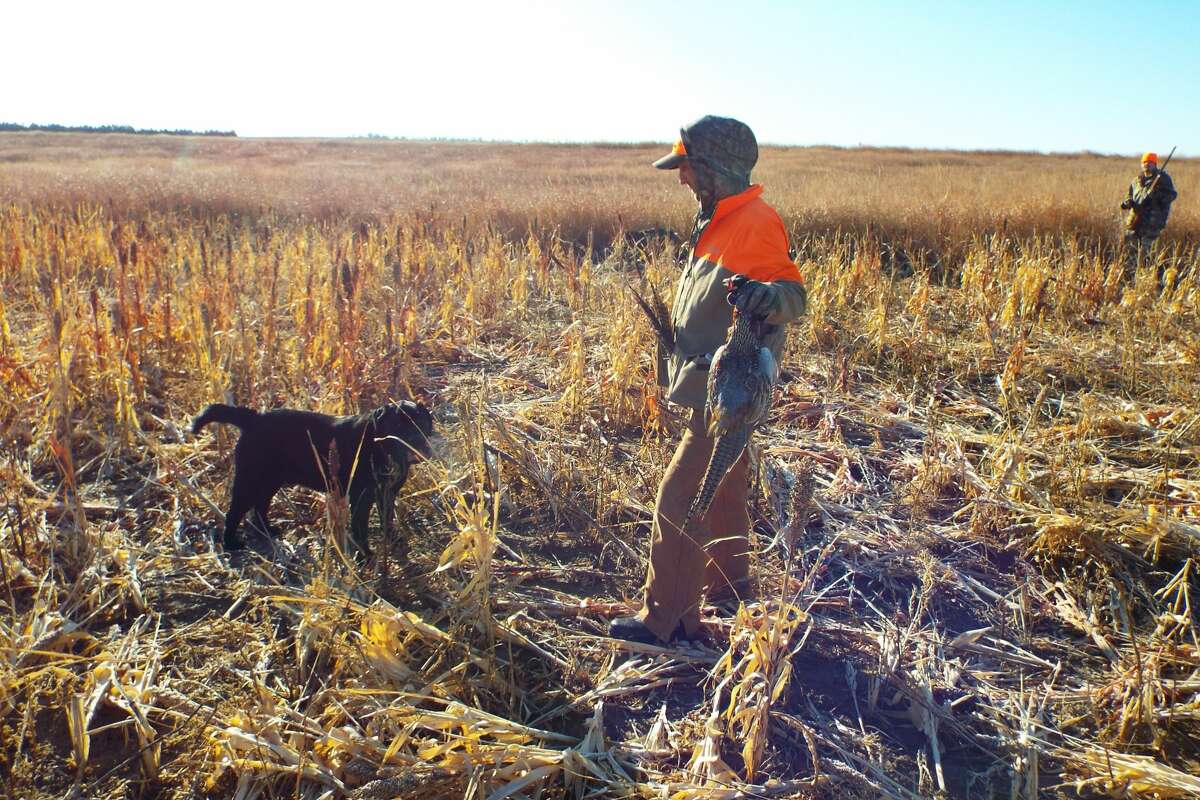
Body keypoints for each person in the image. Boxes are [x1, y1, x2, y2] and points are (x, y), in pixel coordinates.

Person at [609, 116, 807, 645]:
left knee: (681, 499)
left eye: (688, 168)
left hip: (725, 393)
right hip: (715, 389)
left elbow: (793, 296)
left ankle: (666, 620)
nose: (681, 179)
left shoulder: (755, 223)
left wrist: (768, 298)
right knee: (726, 484)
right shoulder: (719, 219)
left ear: (715, 169)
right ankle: (730, 583)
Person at [1120, 152, 1178, 278]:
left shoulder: (1162, 178)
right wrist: (1127, 203)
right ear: (1142, 164)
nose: (1147, 164)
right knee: (1131, 251)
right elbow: (1130, 195)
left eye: (1150, 162)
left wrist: (1154, 196)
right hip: (1135, 221)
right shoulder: (1136, 180)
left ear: (1155, 164)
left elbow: (1172, 195)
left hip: (1152, 223)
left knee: (1147, 253)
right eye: (1145, 162)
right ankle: (1131, 278)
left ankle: (1154, 279)